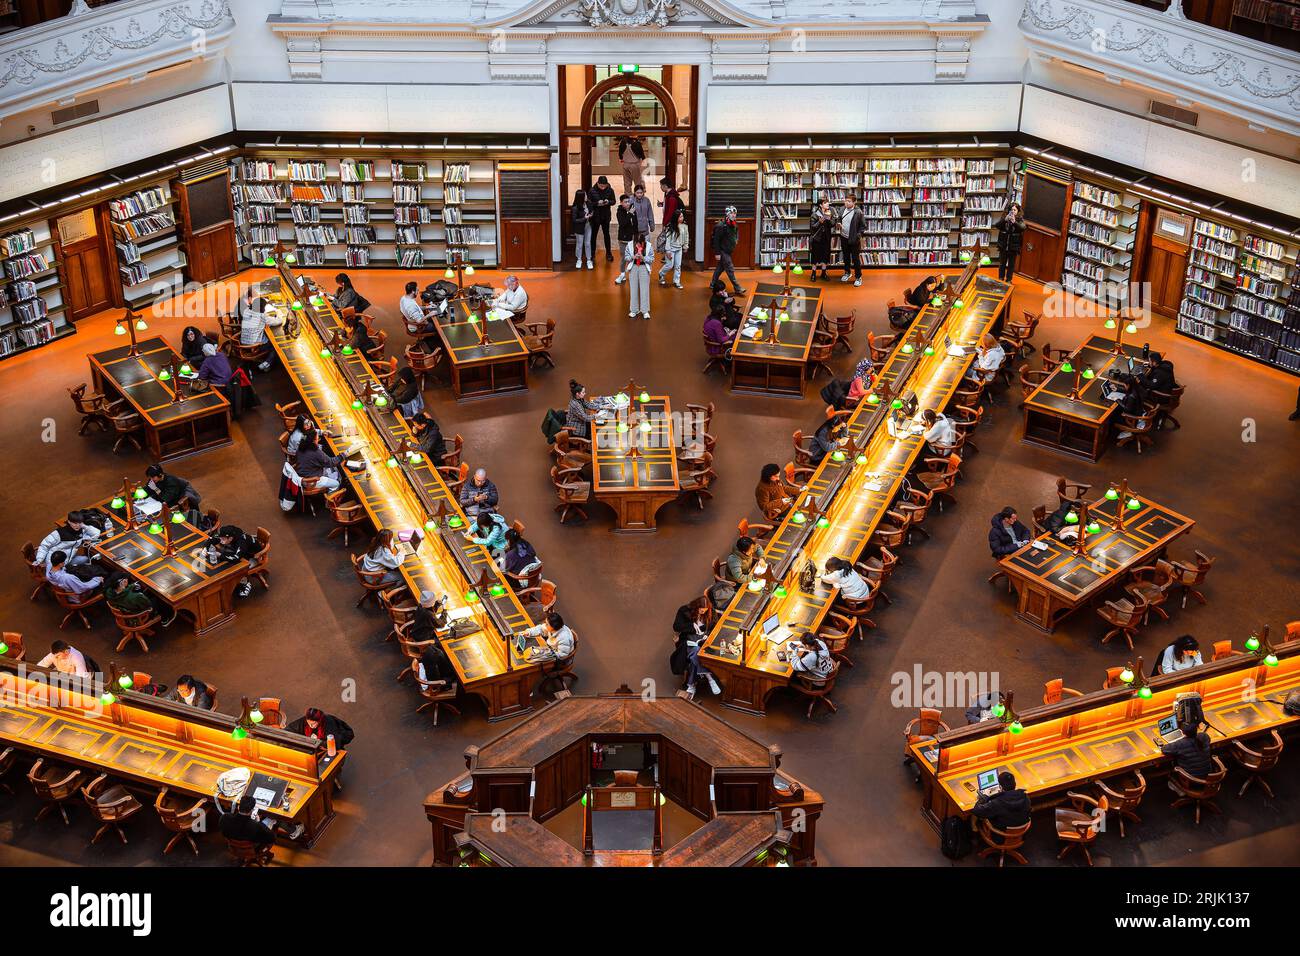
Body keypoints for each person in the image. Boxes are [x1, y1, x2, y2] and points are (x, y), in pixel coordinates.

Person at [672, 596, 722, 698]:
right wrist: (692, 626)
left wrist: (707, 635)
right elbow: (676, 626)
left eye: (705, 610)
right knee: (696, 651)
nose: (703, 612)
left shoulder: (710, 612)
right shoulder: (684, 610)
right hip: (688, 641)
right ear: (696, 607)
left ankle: (691, 685)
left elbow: (715, 626)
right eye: (701, 610)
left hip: (704, 641)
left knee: (696, 653)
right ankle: (709, 677)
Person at [35, 511, 102, 570]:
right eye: (75, 523)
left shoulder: (82, 530)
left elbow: (96, 533)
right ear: (69, 521)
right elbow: (44, 545)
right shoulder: (59, 533)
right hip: (54, 562)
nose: (78, 525)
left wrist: (84, 526)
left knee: (86, 559)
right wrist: (39, 560)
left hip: (68, 560)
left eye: (80, 523)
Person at [105, 572, 177, 626]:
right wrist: (141, 595)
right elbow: (148, 606)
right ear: (122, 582)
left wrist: (131, 586)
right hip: (138, 616)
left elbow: (123, 592)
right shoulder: (135, 597)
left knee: (147, 592)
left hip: (125, 610)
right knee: (159, 597)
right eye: (126, 580)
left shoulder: (109, 591)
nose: (127, 580)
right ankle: (165, 618)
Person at [208, 525, 261, 597]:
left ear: (230, 538)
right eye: (221, 538)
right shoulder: (228, 533)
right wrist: (206, 548)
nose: (221, 540)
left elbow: (236, 558)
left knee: (236, 568)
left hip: (253, 557)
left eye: (223, 539)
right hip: (241, 552)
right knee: (226, 557)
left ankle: (245, 583)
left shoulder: (241, 543)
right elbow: (213, 539)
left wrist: (220, 555)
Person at [239, 287, 278, 371]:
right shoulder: (262, 316)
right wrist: (279, 314)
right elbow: (277, 321)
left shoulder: (246, 311)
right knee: (276, 345)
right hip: (254, 346)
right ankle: (267, 363)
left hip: (243, 342)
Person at [710, 205, 746, 295]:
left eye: (735, 213)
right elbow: (716, 241)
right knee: (730, 268)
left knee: (720, 268)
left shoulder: (734, 224)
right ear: (727, 214)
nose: (734, 215)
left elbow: (736, 232)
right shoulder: (721, 226)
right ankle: (738, 288)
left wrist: (736, 240)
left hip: (729, 250)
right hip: (723, 251)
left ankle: (713, 283)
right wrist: (717, 253)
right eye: (732, 213)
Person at [619, 234, 653, 320]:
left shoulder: (649, 246)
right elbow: (626, 258)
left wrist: (643, 258)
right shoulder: (629, 245)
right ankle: (634, 310)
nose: (638, 245)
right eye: (637, 243)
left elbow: (652, 259)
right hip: (633, 267)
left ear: (643, 242)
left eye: (640, 243)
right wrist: (633, 257)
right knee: (633, 289)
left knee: (644, 289)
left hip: (644, 268)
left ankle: (645, 311)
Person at [286, 706, 355, 748]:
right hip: (313, 748)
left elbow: (334, 743)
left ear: (319, 721)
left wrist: (317, 742)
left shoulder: (329, 722)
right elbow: (289, 730)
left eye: (313, 724)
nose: (311, 726)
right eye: (309, 723)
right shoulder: (305, 720)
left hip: (328, 750)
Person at [657, 207, 689, 288]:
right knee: (669, 265)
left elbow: (686, 236)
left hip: (679, 249)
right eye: (680, 216)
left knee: (678, 266)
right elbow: (668, 240)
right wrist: (668, 251)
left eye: (682, 216)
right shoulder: (670, 227)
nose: (682, 218)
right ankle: (661, 273)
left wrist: (685, 246)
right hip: (671, 249)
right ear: (676, 218)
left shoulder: (684, 226)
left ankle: (676, 281)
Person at [589, 176, 616, 261]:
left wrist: (608, 202)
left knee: (606, 234)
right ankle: (592, 254)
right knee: (593, 235)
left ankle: (608, 253)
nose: (603, 187)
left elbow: (614, 201)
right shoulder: (592, 191)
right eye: (601, 186)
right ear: (597, 183)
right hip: (595, 216)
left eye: (605, 186)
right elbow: (589, 203)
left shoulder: (610, 190)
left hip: (606, 215)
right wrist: (597, 203)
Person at [838, 192, 864, 286]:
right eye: (846, 201)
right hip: (844, 237)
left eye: (849, 201)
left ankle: (858, 277)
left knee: (855, 259)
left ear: (854, 202)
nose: (846, 203)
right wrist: (839, 224)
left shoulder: (858, 212)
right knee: (846, 257)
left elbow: (862, 226)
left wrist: (858, 236)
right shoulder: (842, 209)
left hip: (854, 239)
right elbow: (839, 218)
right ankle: (847, 273)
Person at [995, 203, 1025, 282]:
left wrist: (1014, 222)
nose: (1013, 212)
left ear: (1018, 211)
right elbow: (997, 225)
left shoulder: (1020, 219)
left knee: (1011, 265)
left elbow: (1023, 228)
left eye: (1014, 210)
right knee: (1002, 264)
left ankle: (1009, 280)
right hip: (1003, 245)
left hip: (1013, 246)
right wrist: (1005, 220)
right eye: (1011, 210)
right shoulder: (1005, 217)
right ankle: (1001, 278)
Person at [809, 197, 835, 280]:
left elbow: (832, 224)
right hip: (817, 238)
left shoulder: (830, 212)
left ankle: (823, 273)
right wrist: (819, 222)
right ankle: (813, 273)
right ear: (820, 205)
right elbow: (812, 227)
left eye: (828, 202)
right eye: (825, 203)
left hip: (826, 238)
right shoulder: (815, 214)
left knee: (825, 255)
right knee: (815, 256)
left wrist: (829, 218)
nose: (828, 204)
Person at [571, 188, 594, 270]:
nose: (586, 196)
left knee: (588, 244)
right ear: (581, 197)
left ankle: (589, 260)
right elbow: (574, 220)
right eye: (585, 195)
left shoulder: (589, 203)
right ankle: (579, 259)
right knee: (579, 244)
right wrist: (585, 218)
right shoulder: (575, 208)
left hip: (588, 226)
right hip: (579, 228)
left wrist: (591, 215)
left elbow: (592, 211)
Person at [615, 194, 637, 269]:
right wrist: (630, 213)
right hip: (623, 238)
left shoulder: (632, 209)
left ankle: (632, 274)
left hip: (632, 238)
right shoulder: (619, 212)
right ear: (621, 203)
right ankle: (622, 274)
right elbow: (623, 223)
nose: (628, 203)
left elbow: (635, 224)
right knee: (624, 257)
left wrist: (636, 235)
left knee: (633, 256)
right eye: (625, 202)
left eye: (628, 201)